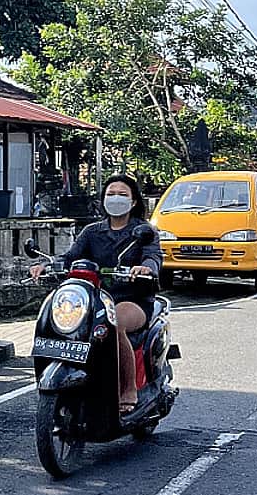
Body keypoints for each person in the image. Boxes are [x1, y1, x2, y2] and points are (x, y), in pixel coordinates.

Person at [30, 174, 162, 414]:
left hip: (132, 300)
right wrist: (47, 265)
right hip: (95, 299)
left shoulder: (144, 232)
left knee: (116, 323)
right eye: (111, 194)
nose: (115, 199)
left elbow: (153, 258)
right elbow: (70, 258)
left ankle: (128, 388)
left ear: (133, 202)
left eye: (122, 195)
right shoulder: (92, 232)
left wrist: (145, 268)